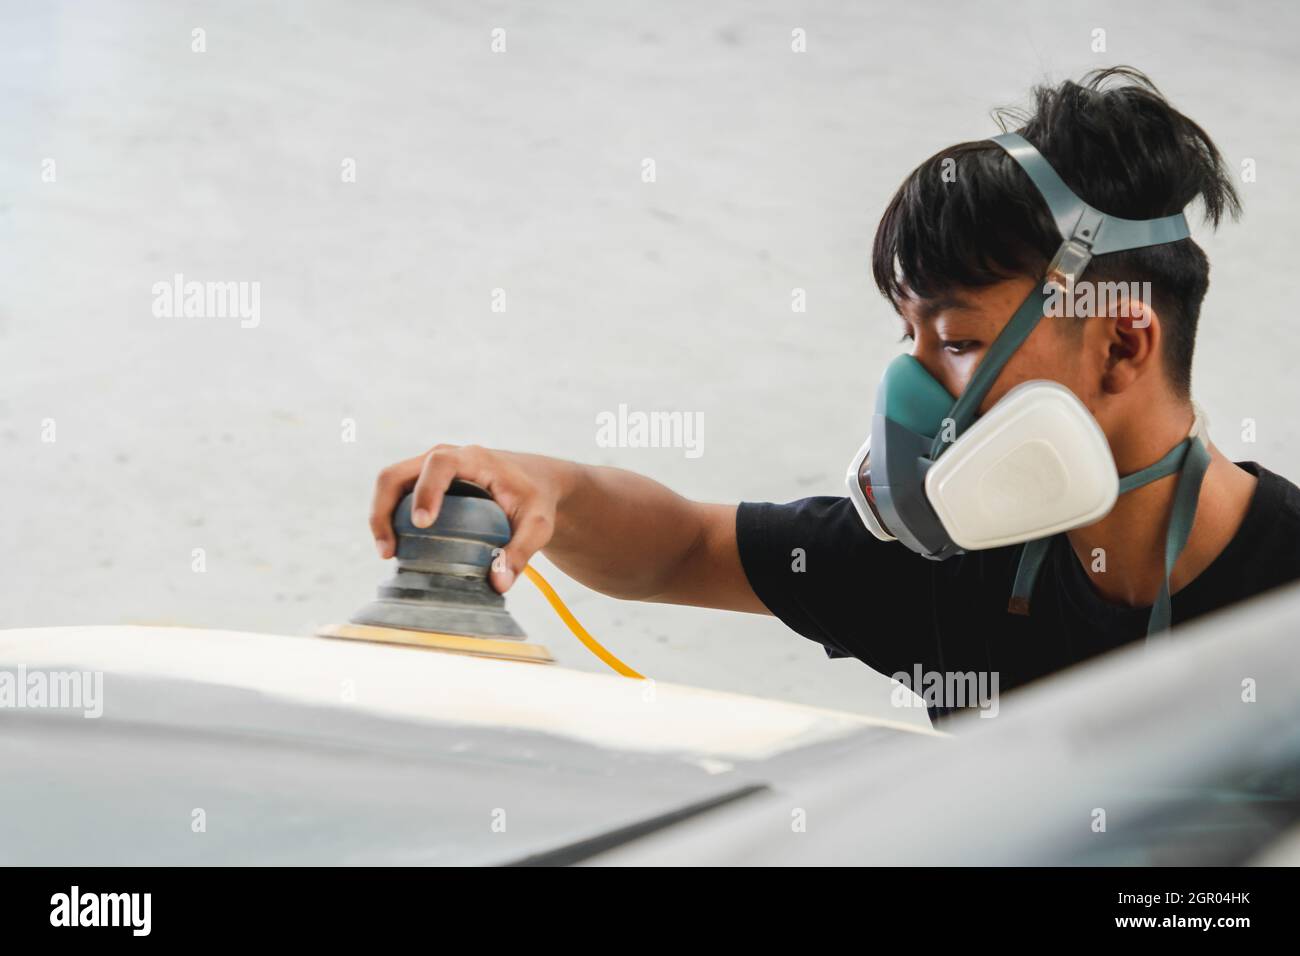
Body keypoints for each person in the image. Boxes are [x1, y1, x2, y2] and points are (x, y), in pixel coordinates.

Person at [369, 68, 1300, 721]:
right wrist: (548, 489)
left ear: (1123, 343)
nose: (917, 389)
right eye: (914, 341)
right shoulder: (954, 568)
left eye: (963, 341)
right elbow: (684, 547)